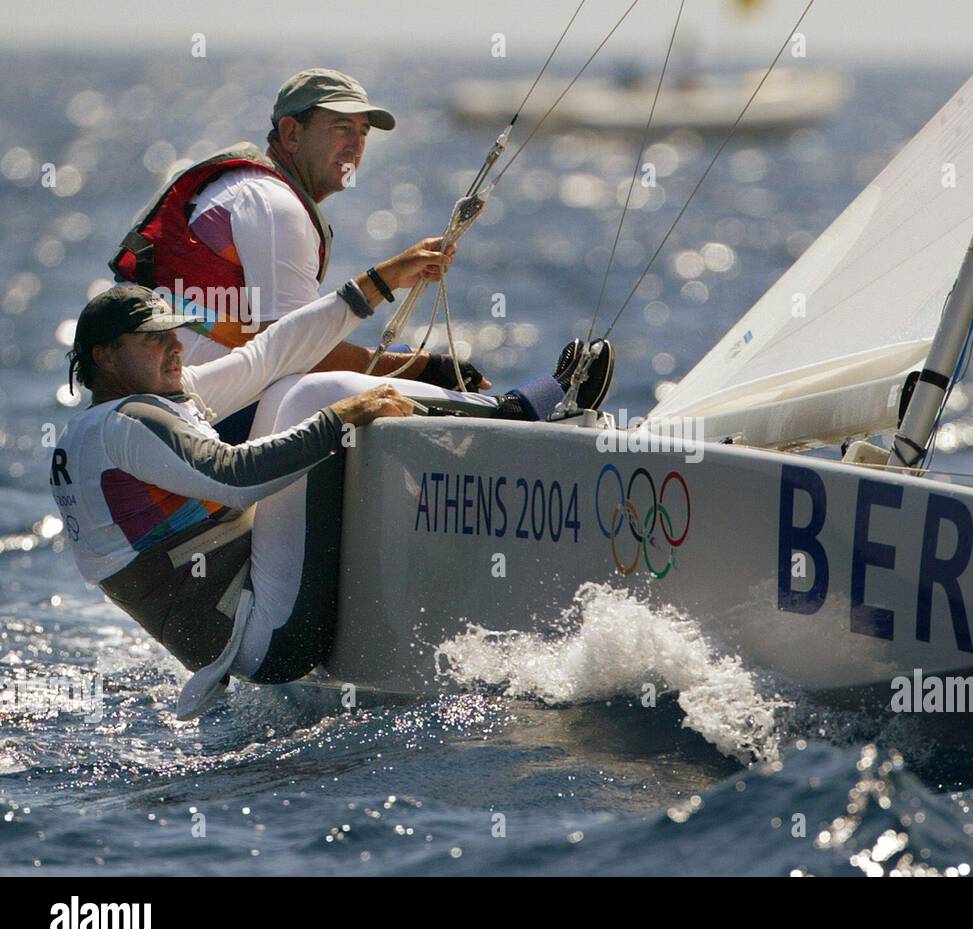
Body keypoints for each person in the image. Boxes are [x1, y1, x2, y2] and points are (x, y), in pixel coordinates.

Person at [53, 235, 612, 718]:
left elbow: (272, 353)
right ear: (104, 357)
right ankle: (523, 413)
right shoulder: (121, 426)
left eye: (174, 331)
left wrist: (380, 280)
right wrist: (338, 420)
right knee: (322, 396)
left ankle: (509, 416)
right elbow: (233, 479)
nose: (175, 344)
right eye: (155, 338)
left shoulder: (118, 419)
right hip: (265, 638)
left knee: (286, 386)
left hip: (255, 614)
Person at [108, 67, 485, 441]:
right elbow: (299, 351)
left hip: (157, 405)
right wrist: (425, 367)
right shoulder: (276, 206)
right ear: (291, 133)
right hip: (195, 419)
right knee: (393, 379)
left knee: (396, 362)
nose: (355, 146)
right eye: (341, 128)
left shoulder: (243, 187)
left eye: (363, 132)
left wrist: (410, 360)